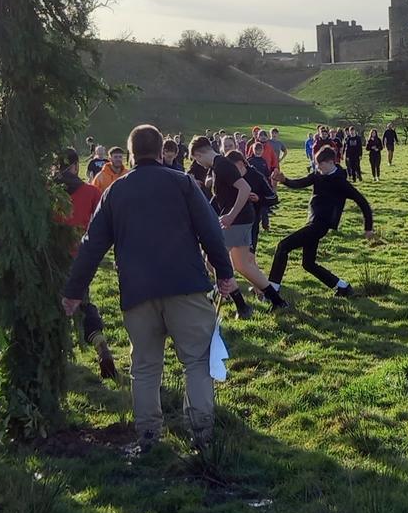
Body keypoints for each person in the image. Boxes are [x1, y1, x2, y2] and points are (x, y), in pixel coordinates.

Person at [62, 124, 238, 452]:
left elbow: (91, 245)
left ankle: (147, 436)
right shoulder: (183, 183)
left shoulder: (115, 192)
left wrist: (74, 291)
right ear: (161, 151)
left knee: (144, 366)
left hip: (137, 291)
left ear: (130, 154)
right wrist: (224, 274)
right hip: (185, 285)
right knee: (197, 361)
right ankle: (201, 433)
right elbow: (210, 231)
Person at [270, 144, 377, 298]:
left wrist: (368, 228)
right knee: (308, 264)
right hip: (311, 223)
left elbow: (363, 203)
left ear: (331, 162)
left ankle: (272, 291)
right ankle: (343, 287)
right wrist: (284, 180)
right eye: (316, 163)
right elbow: (300, 183)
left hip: (320, 226)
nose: (318, 167)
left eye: (321, 164)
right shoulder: (317, 175)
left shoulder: (340, 182)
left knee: (283, 246)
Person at [54, 151, 118, 382]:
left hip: (51, 258)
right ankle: (100, 344)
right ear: (75, 166)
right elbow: (104, 221)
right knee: (82, 304)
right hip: (79, 258)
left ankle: (57, 358)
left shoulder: (46, 192)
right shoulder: (91, 192)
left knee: (53, 307)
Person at [203, 137, 286, 316]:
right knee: (242, 265)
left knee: (214, 261)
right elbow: (219, 198)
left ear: (242, 164)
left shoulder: (253, 175)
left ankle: (241, 304)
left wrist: (257, 199)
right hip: (239, 220)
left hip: (243, 221)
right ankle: (277, 301)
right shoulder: (222, 170)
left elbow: (272, 198)